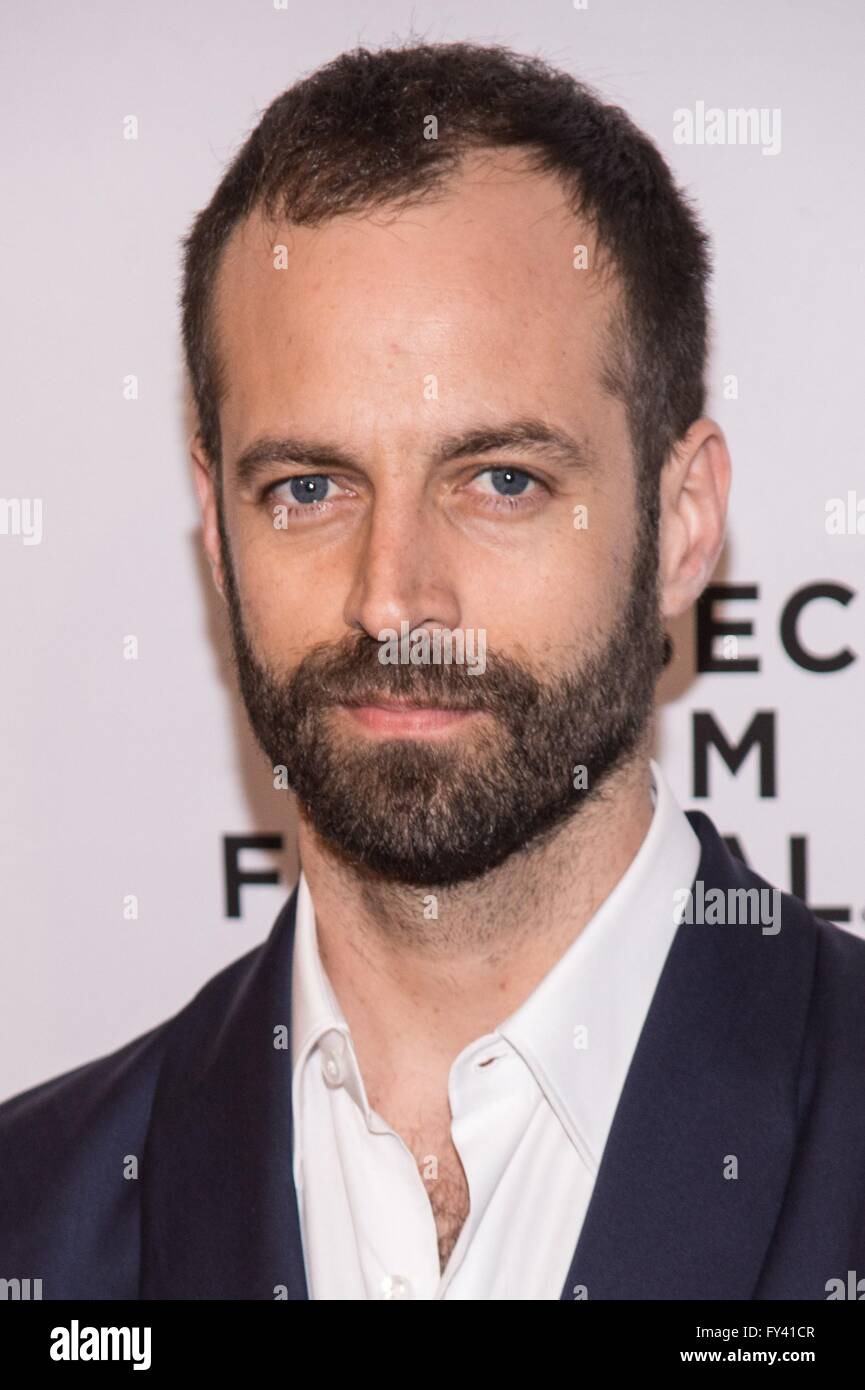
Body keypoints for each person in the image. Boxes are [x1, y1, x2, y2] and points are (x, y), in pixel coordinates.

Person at [2, 40, 863, 1302]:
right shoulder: (35, 1219)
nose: (392, 594)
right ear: (216, 521)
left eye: (502, 480)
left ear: (681, 522)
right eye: (308, 487)